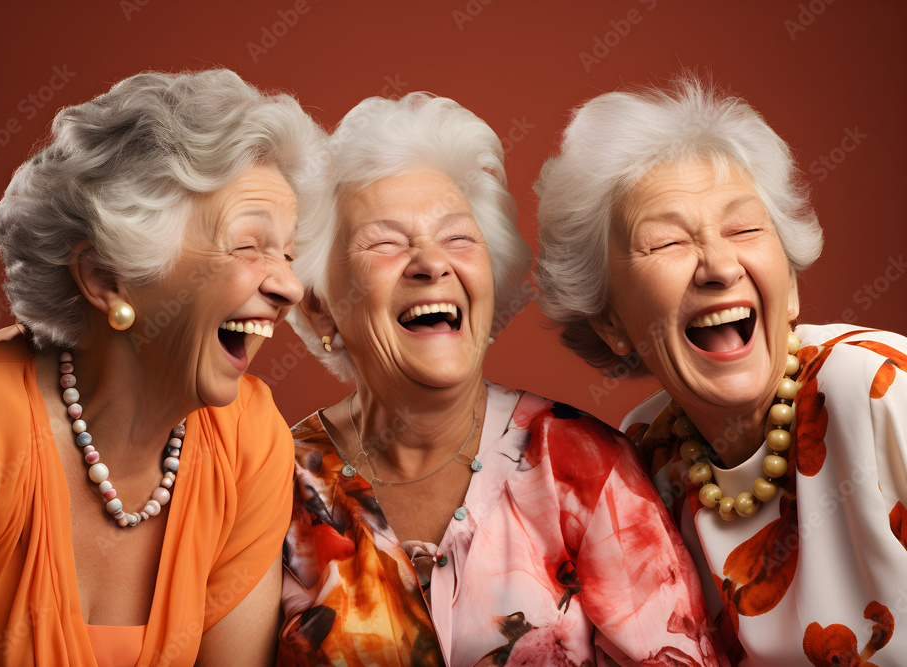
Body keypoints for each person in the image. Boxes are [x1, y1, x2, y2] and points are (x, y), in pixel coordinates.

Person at [278, 92, 727, 666]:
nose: (431, 263)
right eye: (386, 242)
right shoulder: (271, 484)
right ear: (319, 306)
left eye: (458, 238)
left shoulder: (582, 465)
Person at [0, 69, 331, 666]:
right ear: (108, 278)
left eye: (288, 254)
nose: (289, 285)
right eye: (247, 246)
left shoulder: (249, 438)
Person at [534, 75, 907, 665]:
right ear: (612, 323)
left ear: (788, 286)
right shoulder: (646, 456)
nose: (718, 266)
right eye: (665, 243)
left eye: (744, 229)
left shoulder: (880, 389)